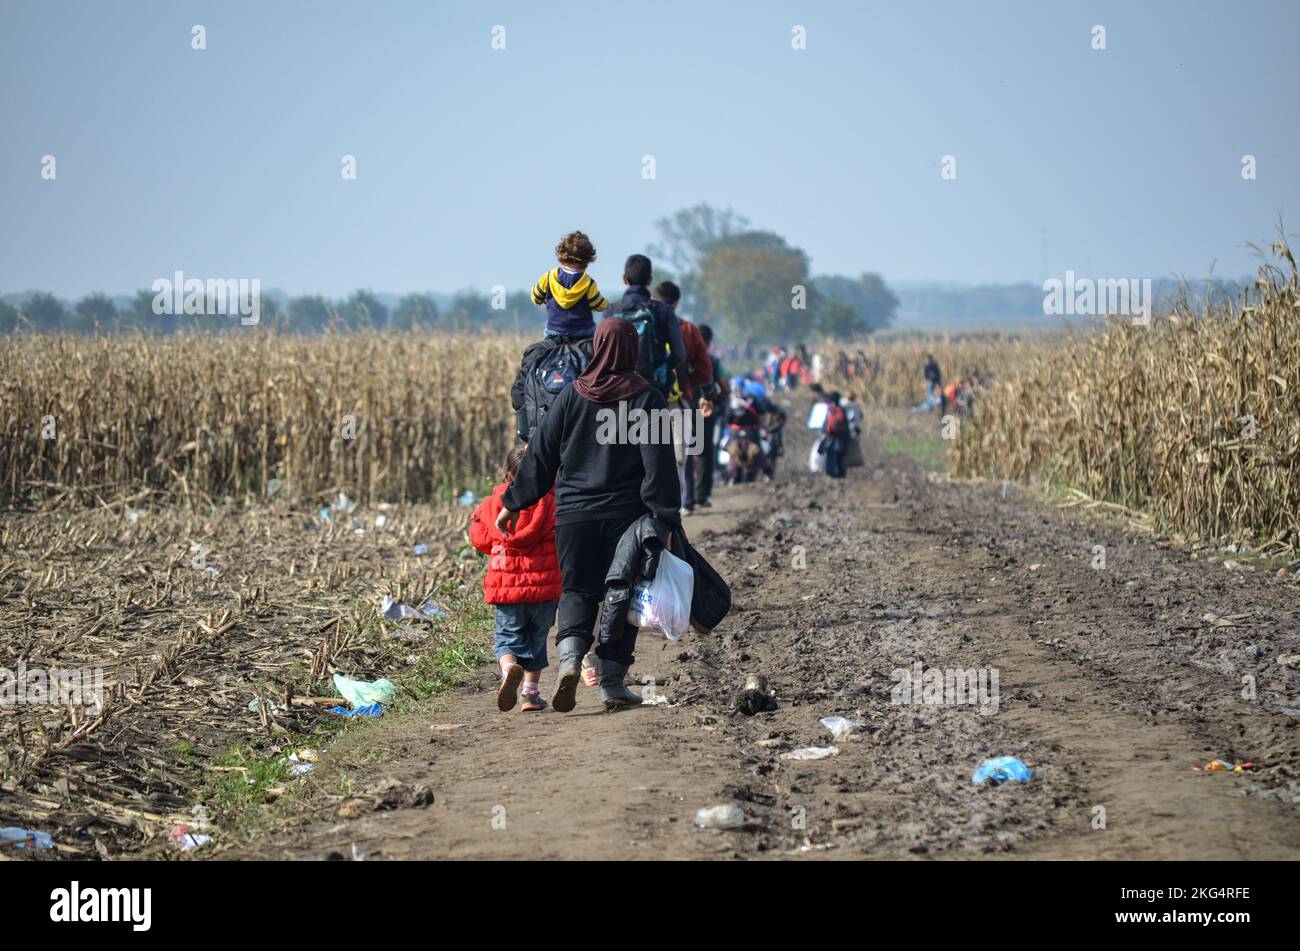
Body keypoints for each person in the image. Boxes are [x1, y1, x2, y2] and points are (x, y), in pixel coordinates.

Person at [497, 318, 681, 712]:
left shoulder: (571, 396)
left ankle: (569, 662)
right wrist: (664, 518)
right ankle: (612, 683)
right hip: (627, 520)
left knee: (577, 591)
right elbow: (659, 465)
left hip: (574, 517)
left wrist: (514, 502)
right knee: (621, 595)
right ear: (631, 349)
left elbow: (540, 456)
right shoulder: (647, 398)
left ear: (597, 347)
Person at [468, 444, 562, 713]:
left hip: (507, 586)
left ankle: (509, 668)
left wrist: (499, 543)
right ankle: (530, 695)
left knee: (507, 637)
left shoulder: (493, 503)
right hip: (545, 587)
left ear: (507, 474)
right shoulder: (553, 501)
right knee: (536, 639)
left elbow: (479, 537)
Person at [603, 254, 685, 399]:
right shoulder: (664, 311)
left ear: (624, 279)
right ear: (650, 280)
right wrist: (664, 369)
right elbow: (679, 354)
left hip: (620, 386)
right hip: (654, 385)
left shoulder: (611, 310)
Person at [530, 230, 608, 338]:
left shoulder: (548, 277)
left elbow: (535, 297)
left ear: (562, 254)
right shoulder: (588, 283)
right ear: (587, 259)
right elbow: (600, 305)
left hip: (554, 331)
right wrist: (606, 304)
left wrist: (540, 300)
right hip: (583, 331)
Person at [693, 324, 727, 508]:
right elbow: (725, 387)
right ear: (709, 342)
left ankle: (686, 498)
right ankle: (702, 495)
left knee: (684, 453)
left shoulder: (683, 359)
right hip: (706, 411)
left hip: (683, 409)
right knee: (705, 453)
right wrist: (719, 402)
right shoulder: (713, 361)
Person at [821, 391, 849, 479]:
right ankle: (840, 473)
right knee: (839, 455)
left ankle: (831, 473)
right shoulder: (842, 409)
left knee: (830, 454)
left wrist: (826, 429)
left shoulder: (830, 409)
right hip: (841, 436)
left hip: (832, 435)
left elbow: (826, 423)